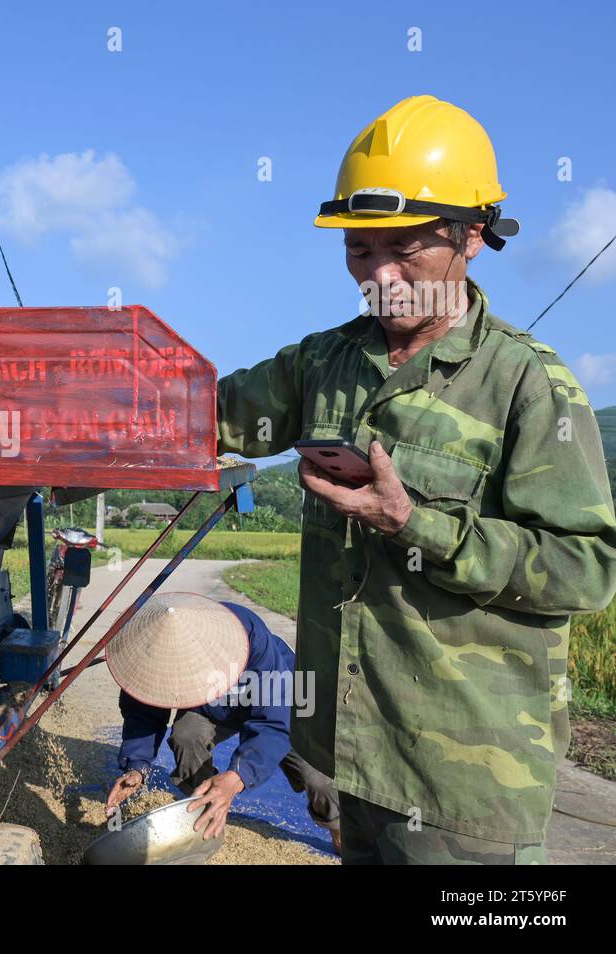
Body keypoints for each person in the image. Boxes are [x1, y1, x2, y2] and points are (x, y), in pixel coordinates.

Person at [215, 95, 616, 863]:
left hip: (464, 786)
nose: (382, 276)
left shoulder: (529, 386)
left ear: (473, 236)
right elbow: (206, 415)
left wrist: (416, 524)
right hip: (349, 757)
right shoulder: (323, 364)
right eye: (361, 252)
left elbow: (588, 570)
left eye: (406, 249)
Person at [105, 592, 340, 850]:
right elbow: (143, 710)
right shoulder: (151, 651)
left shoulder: (248, 635)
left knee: (319, 779)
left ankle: (338, 829)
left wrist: (238, 775)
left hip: (282, 701)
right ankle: (204, 812)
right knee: (186, 736)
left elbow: (275, 721)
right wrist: (137, 765)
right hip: (212, 704)